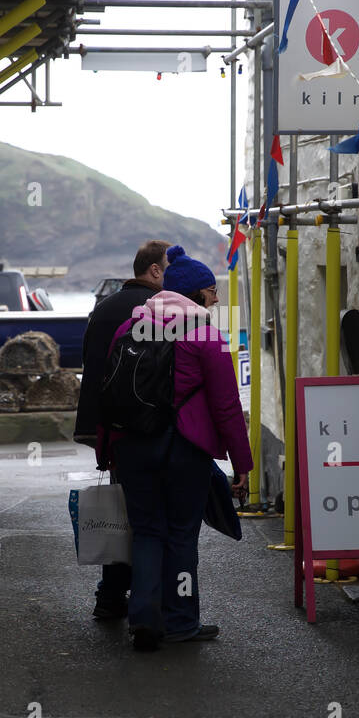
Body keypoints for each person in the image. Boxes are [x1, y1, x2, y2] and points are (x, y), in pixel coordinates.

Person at [102, 245, 250, 651]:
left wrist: (105, 449)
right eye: (211, 290)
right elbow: (226, 406)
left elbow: (107, 391)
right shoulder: (206, 335)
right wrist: (242, 462)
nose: (217, 298)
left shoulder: (127, 328)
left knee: (147, 531)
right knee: (181, 535)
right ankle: (181, 620)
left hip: (132, 445)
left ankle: (144, 618)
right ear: (194, 295)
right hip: (185, 449)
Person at [74, 240, 171, 619]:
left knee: (121, 514)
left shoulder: (104, 308)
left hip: (109, 428)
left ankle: (110, 596)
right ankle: (151, 601)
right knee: (149, 520)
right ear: (155, 270)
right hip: (148, 428)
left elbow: (90, 364)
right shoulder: (157, 310)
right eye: (168, 269)